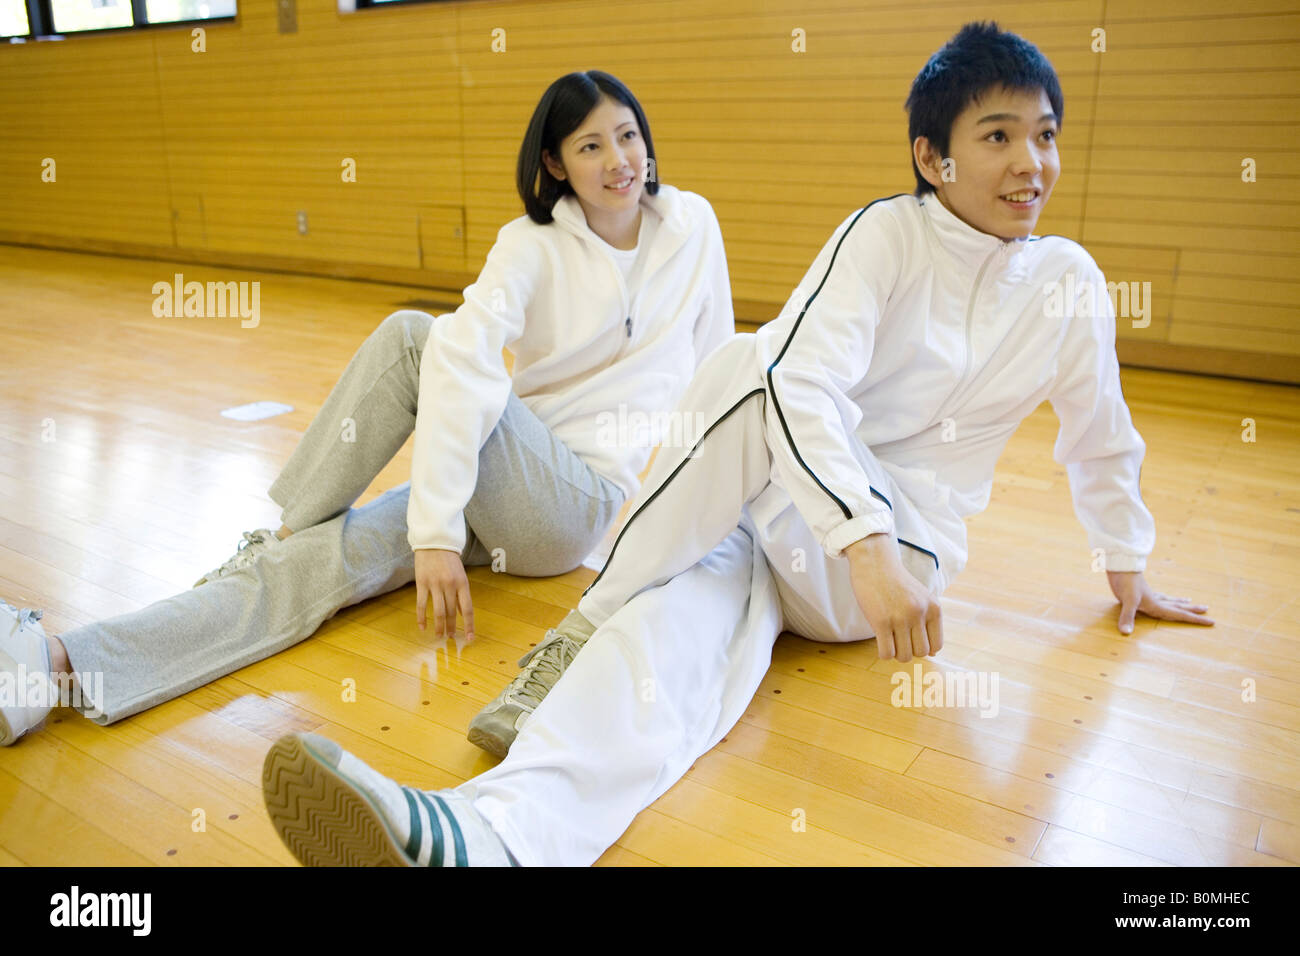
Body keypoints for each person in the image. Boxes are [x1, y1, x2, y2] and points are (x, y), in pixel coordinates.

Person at [259, 21, 1215, 867]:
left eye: (1044, 136)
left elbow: (1102, 434)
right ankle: (490, 836)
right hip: (778, 525)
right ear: (935, 158)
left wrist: (1124, 562)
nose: (1030, 163)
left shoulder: (1071, 281)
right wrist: (848, 532)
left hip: (890, 572)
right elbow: (806, 388)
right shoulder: (884, 236)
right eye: (998, 137)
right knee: (676, 637)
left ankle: (585, 619)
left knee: (750, 370)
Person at [0, 70, 734, 747]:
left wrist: (440, 533)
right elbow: (470, 366)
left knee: (417, 338)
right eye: (591, 145)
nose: (619, 160)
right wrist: (438, 530)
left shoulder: (693, 226)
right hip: (507, 478)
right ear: (554, 165)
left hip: (573, 508)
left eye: (628, 135)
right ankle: (59, 666)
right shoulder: (529, 246)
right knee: (321, 563)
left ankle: (286, 526)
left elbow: (719, 361)